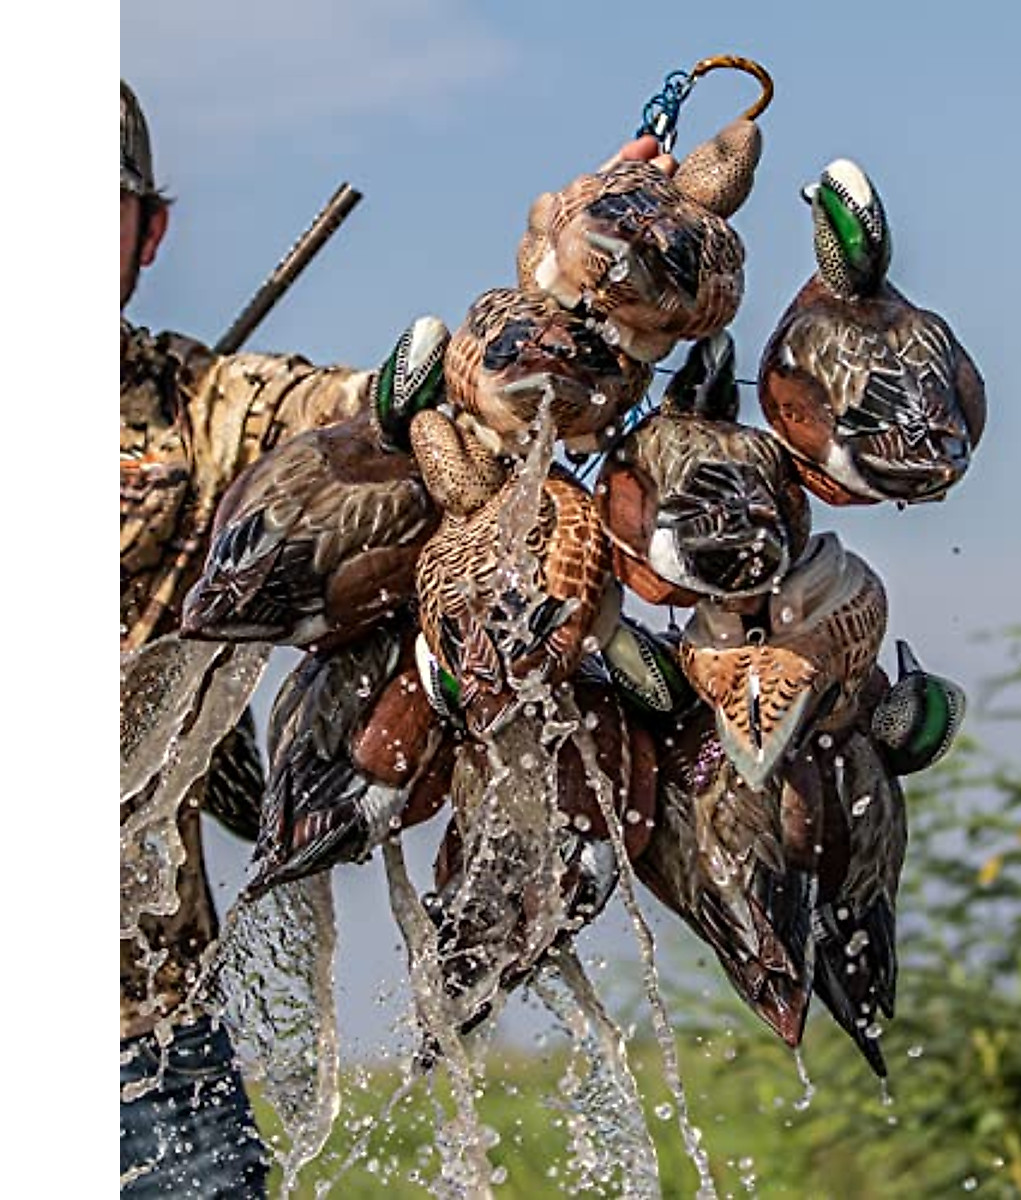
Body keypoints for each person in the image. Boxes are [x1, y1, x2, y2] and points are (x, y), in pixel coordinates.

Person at [119, 78, 675, 1196]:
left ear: (149, 230)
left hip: (138, 1040)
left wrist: (593, 272)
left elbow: (432, 413)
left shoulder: (212, 407)